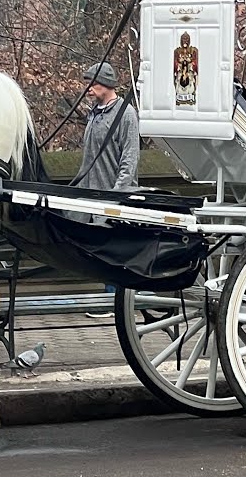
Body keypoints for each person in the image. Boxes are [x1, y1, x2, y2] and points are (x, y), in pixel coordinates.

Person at [72, 62, 140, 319]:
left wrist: (118, 195)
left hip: (111, 196)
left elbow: (130, 158)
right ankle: (108, 297)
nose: (88, 88)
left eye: (93, 83)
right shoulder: (94, 113)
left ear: (106, 84)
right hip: (91, 193)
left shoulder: (126, 114)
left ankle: (114, 301)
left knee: (112, 250)